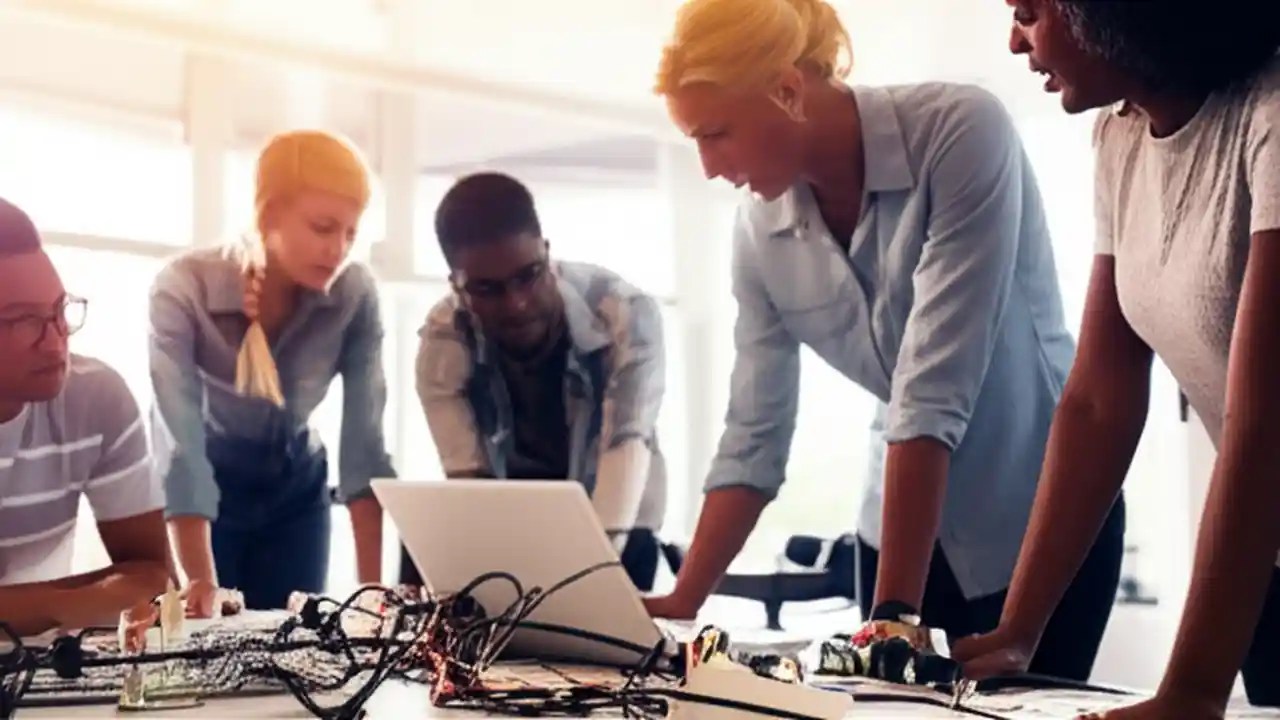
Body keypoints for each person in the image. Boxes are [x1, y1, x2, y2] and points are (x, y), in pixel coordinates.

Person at [642, 0, 1124, 682]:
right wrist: (680, 604)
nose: (708, 168)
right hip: (894, 533)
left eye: (716, 133)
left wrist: (895, 616)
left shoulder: (960, 131)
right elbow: (754, 432)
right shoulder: (757, 236)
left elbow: (931, 386)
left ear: (786, 89)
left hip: (1039, 524)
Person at [953, 2, 1280, 717]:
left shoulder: (1271, 113)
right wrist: (1019, 629)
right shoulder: (1118, 137)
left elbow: (1265, 427)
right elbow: (1098, 400)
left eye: (1030, 11)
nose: (1016, 41)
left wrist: (1191, 692)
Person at [150, 130, 395, 614]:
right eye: (323, 227)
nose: (338, 249)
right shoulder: (182, 287)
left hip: (297, 496)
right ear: (268, 215)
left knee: (295, 652)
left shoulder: (356, 294)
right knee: (209, 644)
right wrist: (199, 580)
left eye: (350, 233)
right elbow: (181, 445)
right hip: (207, 502)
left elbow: (364, 449)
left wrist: (373, 599)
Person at [414, 172, 668, 591]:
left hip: (619, 520)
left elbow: (626, 440)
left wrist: (593, 580)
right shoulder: (444, 338)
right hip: (516, 526)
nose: (516, 303)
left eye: (528, 274)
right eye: (487, 288)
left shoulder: (624, 314)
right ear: (457, 287)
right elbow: (469, 481)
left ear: (547, 252)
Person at [0, 197, 168, 636]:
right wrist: (80, 602)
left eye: (59, 312)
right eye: (23, 321)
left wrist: (31, 607)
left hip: (41, 681)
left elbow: (154, 581)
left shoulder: (95, 399)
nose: (56, 344)